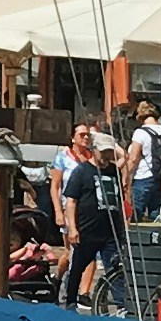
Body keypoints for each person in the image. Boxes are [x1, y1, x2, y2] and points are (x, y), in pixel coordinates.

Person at [58, 124, 122, 308]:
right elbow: (71, 201)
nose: (106, 156)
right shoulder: (82, 171)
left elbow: (119, 199)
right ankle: (70, 302)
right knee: (77, 267)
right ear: (94, 150)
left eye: (109, 152)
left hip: (111, 231)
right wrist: (72, 228)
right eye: (103, 151)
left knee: (116, 268)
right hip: (87, 229)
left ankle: (120, 305)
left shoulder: (114, 171)